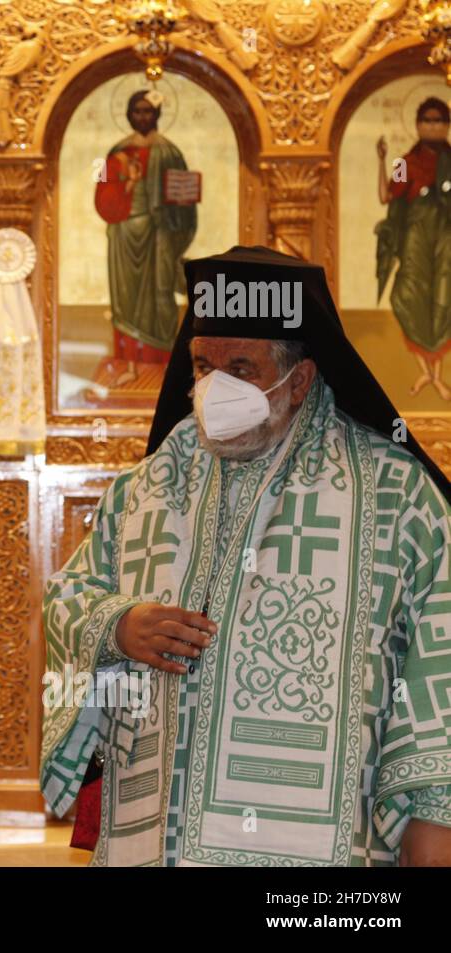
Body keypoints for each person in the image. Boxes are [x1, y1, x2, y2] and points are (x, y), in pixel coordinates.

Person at [42, 245, 451, 866]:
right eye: (204, 365)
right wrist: (118, 627)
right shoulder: (147, 487)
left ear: (302, 378)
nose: (216, 387)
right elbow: (68, 598)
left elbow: (438, 698)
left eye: (242, 365)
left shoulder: (395, 495)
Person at [95, 90, 197, 387]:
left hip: (160, 236)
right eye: (137, 111)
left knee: (161, 296)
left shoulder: (170, 152)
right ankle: (129, 366)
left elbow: (184, 202)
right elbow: (101, 196)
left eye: (148, 111)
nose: (142, 117)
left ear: (157, 115)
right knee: (125, 301)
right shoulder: (115, 152)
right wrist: (126, 185)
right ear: (128, 115)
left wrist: (176, 214)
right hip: (124, 238)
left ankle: (165, 366)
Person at [376, 96, 451, 399]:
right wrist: (381, 159)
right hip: (415, 243)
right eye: (427, 120)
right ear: (418, 125)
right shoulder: (406, 163)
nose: (433, 126)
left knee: (445, 298)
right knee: (409, 296)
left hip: (446, 242)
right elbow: (387, 197)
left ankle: (440, 376)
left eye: (439, 121)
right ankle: (425, 373)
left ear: (447, 126)